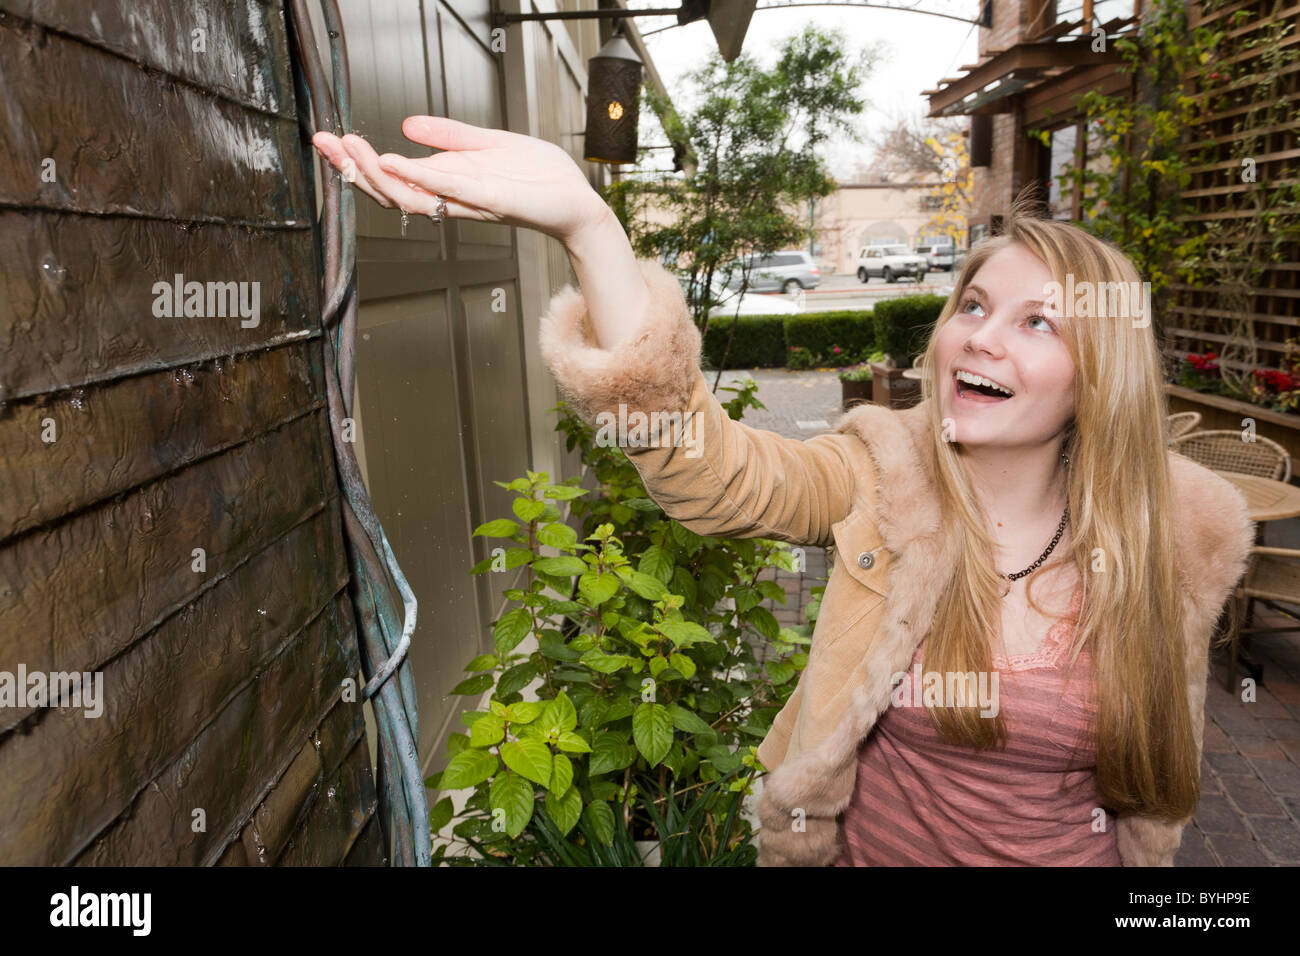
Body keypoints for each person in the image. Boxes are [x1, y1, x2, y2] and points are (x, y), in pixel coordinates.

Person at [312, 116, 1256, 866]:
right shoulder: (884, 473)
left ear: (1102, 375)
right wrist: (589, 228)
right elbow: (713, 474)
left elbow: (1151, 796)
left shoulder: (1173, 532)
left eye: (1037, 322)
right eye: (972, 305)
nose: (980, 337)